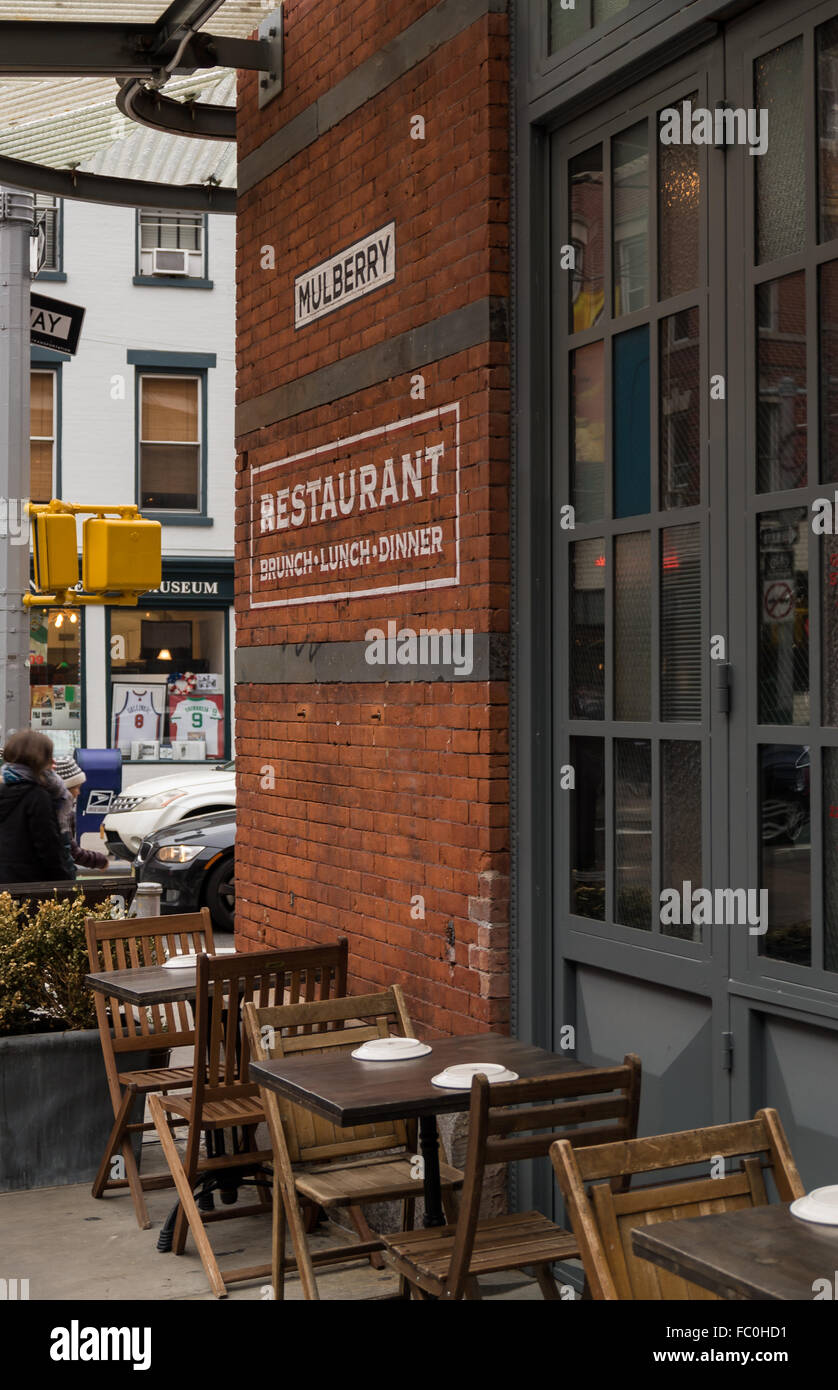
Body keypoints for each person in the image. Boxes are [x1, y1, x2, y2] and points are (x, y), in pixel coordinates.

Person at [0, 730, 71, 884]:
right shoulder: (38, 797)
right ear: (40, 759)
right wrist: (64, 882)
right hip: (29, 886)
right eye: (49, 756)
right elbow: (48, 846)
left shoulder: (3, 789)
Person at [52, 754, 109, 871]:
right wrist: (99, 860)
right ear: (63, 789)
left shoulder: (59, 808)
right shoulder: (60, 813)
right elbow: (71, 851)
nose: (78, 793)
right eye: (75, 788)